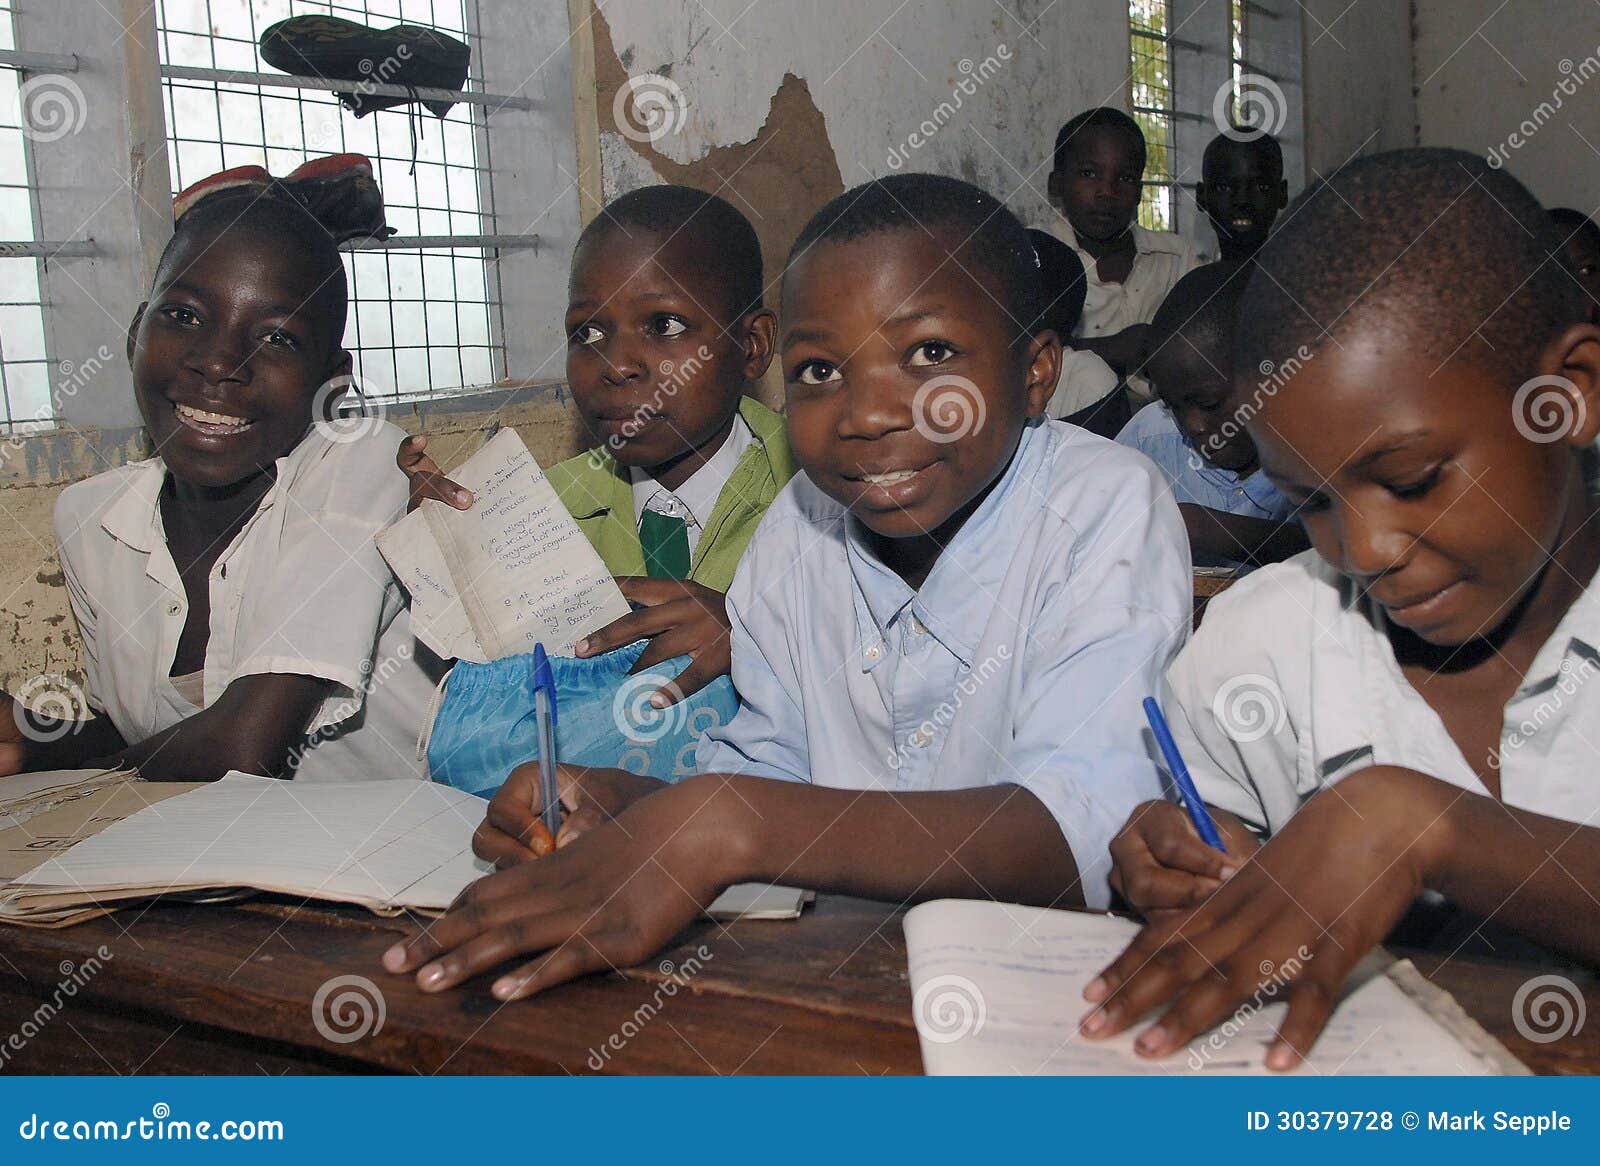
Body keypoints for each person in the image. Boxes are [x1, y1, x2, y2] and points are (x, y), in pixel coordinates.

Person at [382, 174, 1191, 1000]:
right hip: (845, 981)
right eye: (818, 371)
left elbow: (1084, 834)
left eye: (930, 355)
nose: (867, 414)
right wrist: (623, 807)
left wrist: (725, 825)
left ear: (1036, 371)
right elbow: (772, 776)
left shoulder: (1100, 506)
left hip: (1044, 1000)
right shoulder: (799, 530)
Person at [1087, 149, 1600, 1070]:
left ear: (1566, 397)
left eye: (1410, 480)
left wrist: (1435, 829)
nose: (1366, 552)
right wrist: (1173, 862)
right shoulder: (1261, 644)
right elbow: (1196, 833)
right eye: (1312, 500)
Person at [4, 187, 436, 782]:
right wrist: (33, 745)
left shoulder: (362, 464)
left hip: (401, 855)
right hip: (223, 858)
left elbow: (244, 749)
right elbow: (149, 737)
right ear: (136, 334)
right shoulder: (89, 518)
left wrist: (76, 782)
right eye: (184, 316)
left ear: (331, 383)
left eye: (277, 337)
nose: (219, 362)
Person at [397, 186, 792, 705]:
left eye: (665, 324)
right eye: (588, 333)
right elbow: (507, 700)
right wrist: (450, 558)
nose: (616, 364)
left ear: (753, 346)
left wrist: (756, 643)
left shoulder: (824, 503)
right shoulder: (538, 514)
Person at [1116, 262, 1306, 568]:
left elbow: (1335, 556)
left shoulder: (1317, 449)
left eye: (1210, 403)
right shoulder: (1150, 437)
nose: (1194, 425)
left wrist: (1208, 530)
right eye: (1173, 405)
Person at [1043, 107, 1198, 395]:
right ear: (1057, 184)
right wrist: (1109, 349)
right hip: (1074, 428)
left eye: (1125, 178)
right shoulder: (1037, 259)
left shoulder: (1176, 259)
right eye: (1089, 174)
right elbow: (1014, 355)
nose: (1107, 192)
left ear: (1140, 191)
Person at [1194, 131, 1287, 264]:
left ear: (1282, 194)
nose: (1242, 200)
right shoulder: (1193, 282)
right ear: (1201, 196)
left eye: (1261, 187)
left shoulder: (1306, 278)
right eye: (1224, 187)